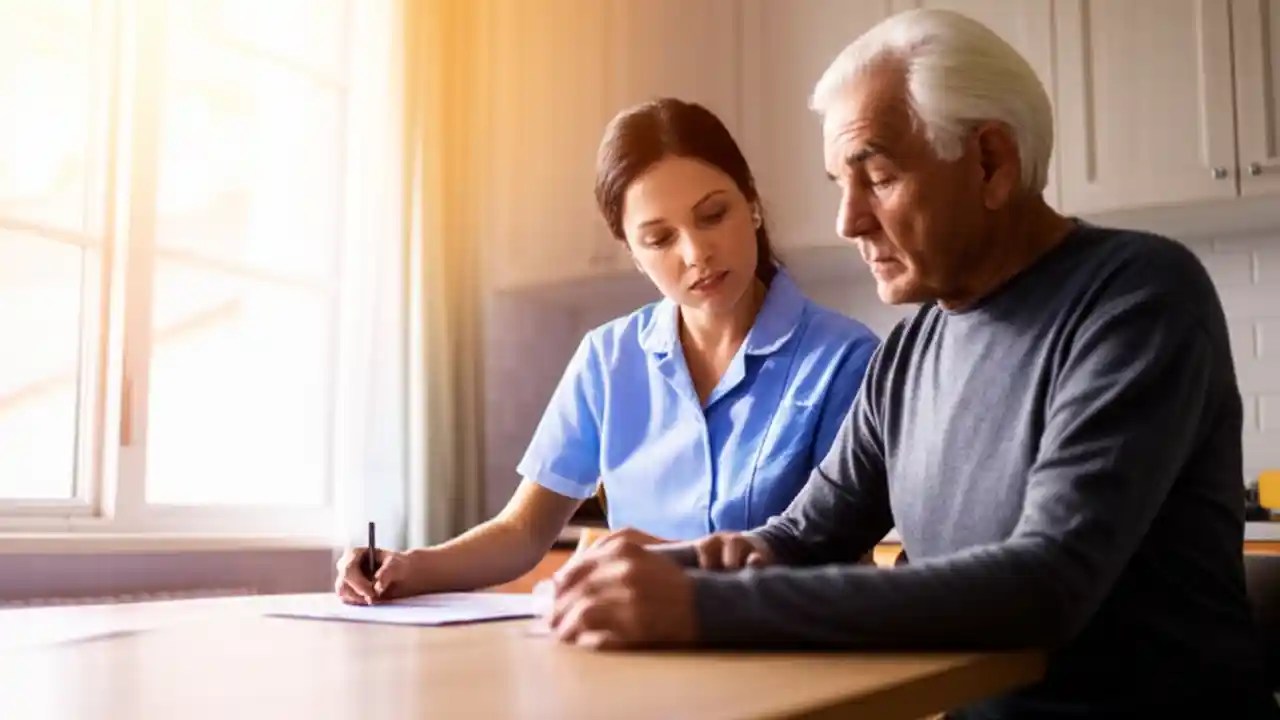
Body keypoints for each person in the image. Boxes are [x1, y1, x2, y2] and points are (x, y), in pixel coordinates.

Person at [545, 10, 1278, 718]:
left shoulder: (1137, 295)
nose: (848, 220)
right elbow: (796, 542)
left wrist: (699, 606)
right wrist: (643, 575)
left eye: (880, 178)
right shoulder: (909, 352)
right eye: (840, 185)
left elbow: (1048, 583)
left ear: (990, 162)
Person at [334, 98, 879, 603]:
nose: (696, 253)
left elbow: (838, 557)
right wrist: (411, 567)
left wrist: (672, 560)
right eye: (660, 239)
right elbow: (523, 532)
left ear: (754, 206)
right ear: (634, 255)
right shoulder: (608, 359)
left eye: (713, 215)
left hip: (784, 658)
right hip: (636, 655)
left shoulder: (845, 360)